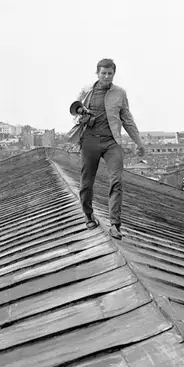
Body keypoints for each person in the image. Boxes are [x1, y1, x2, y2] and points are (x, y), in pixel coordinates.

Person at [69, 58, 145, 239]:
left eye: (110, 73)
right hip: (90, 141)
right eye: (103, 73)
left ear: (113, 74)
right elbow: (75, 112)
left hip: (112, 142)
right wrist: (81, 116)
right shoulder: (87, 91)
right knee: (86, 183)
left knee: (116, 181)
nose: (106, 76)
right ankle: (88, 215)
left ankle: (115, 224)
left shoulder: (119, 93)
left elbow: (127, 119)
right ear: (97, 73)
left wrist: (139, 142)